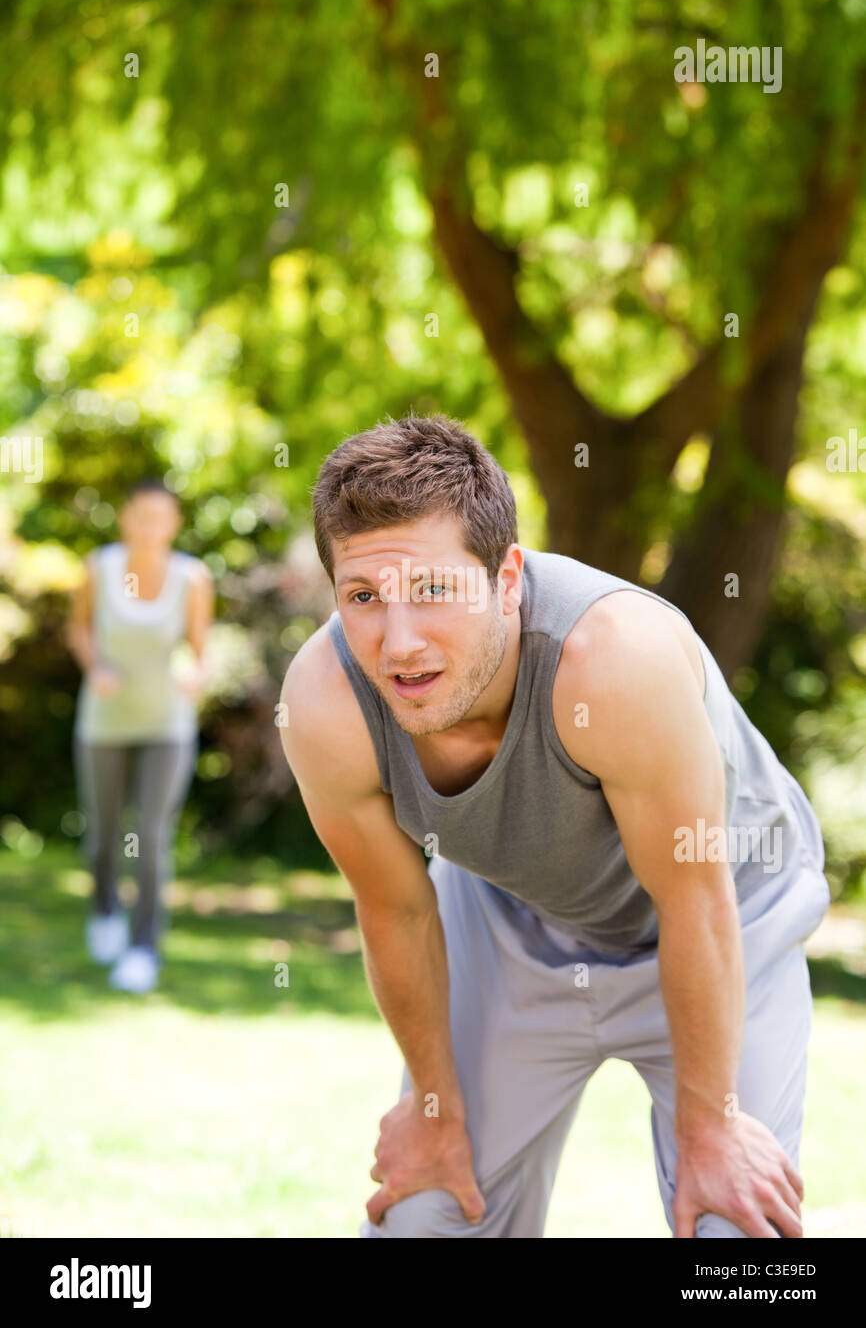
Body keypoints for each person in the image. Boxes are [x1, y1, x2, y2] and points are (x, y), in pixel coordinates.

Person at [278, 412, 832, 1240]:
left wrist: (711, 1129)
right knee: (427, 1213)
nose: (398, 643)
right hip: (515, 923)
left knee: (733, 1230)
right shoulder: (326, 705)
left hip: (724, 922)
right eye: (363, 598)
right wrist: (433, 1108)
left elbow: (695, 901)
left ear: (507, 580)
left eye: (433, 591)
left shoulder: (612, 659)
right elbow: (394, 909)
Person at [66, 477, 214, 994]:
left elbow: (200, 649)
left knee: (149, 835)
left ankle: (143, 947)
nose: (151, 527)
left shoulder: (191, 578)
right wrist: (95, 666)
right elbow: (79, 627)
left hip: (166, 724)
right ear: (126, 518)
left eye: (162, 518)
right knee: (104, 831)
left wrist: (196, 674)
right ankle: (105, 908)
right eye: (142, 516)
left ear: (174, 524)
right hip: (104, 722)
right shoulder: (99, 569)